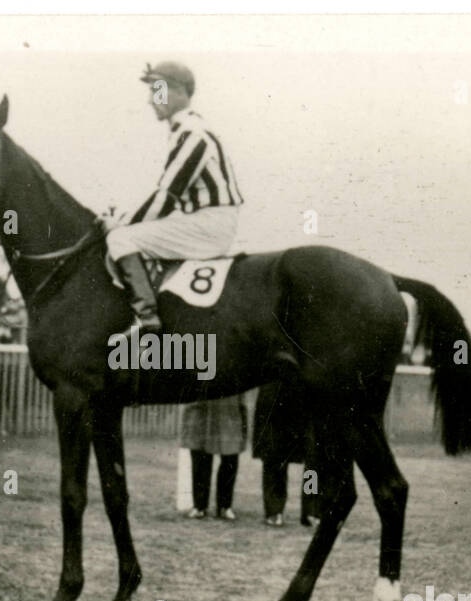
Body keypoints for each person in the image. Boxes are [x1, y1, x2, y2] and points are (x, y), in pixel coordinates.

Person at [104, 61, 244, 335]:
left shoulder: (193, 133)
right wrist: (127, 218)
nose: (150, 100)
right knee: (132, 231)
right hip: (201, 219)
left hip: (210, 224)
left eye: (157, 90)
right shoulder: (186, 131)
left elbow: (166, 196)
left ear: (180, 92)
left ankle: (146, 321)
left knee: (120, 238)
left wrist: (121, 225)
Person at [253, 380, 321, 528]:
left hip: (307, 400)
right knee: (274, 458)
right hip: (274, 399)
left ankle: (311, 510)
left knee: (313, 461)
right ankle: (274, 511)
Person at [181, 394, 248, 520]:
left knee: (230, 458)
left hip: (228, 410)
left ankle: (225, 506)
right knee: (200, 458)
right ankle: (200, 506)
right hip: (202, 411)